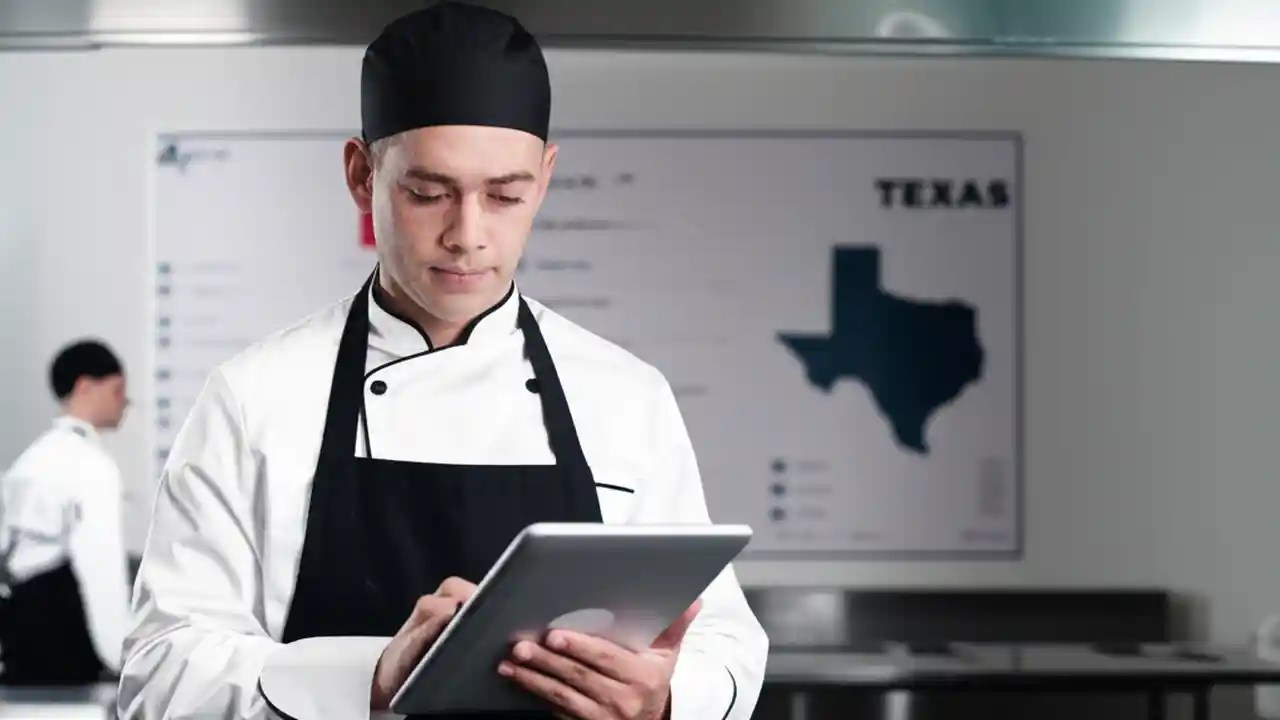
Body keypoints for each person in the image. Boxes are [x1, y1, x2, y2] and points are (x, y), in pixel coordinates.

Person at [117, 2, 767, 719]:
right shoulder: (254, 399)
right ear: (362, 175)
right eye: (428, 193)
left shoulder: (625, 396)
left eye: (506, 196)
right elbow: (158, 674)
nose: (468, 234)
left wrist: (666, 698)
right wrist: (369, 674)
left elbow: (725, 642)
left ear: (544, 180)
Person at [0, 340, 132, 685]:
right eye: (117, 390)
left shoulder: (32, 458)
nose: (125, 403)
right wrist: (122, 656)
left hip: (19, 632)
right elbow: (100, 568)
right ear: (85, 386)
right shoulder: (89, 464)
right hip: (64, 637)